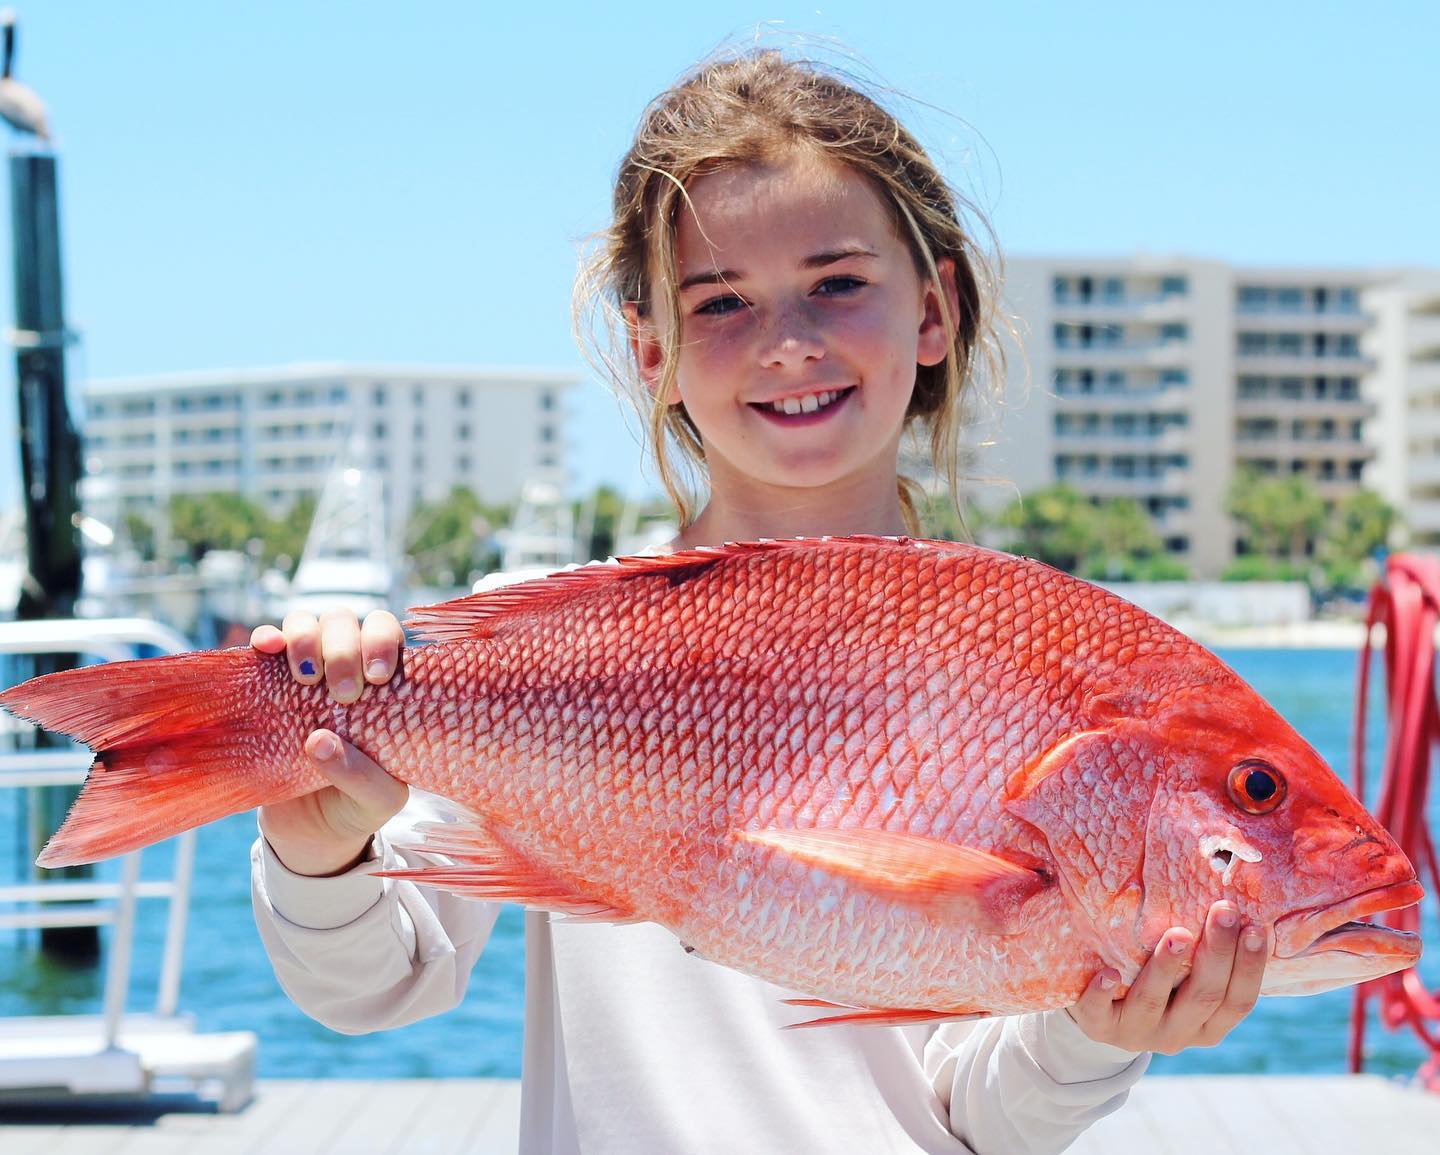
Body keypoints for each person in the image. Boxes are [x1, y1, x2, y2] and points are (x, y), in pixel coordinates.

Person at [250, 50, 1268, 1155]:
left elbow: (976, 1119)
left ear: (934, 311)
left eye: (837, 282)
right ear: (656, 356)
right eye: (723, 302)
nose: (789, 342)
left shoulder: (1022, 665)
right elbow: (375, 987)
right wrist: (318, 850)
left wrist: (1091, 1036)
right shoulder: (535, 641)